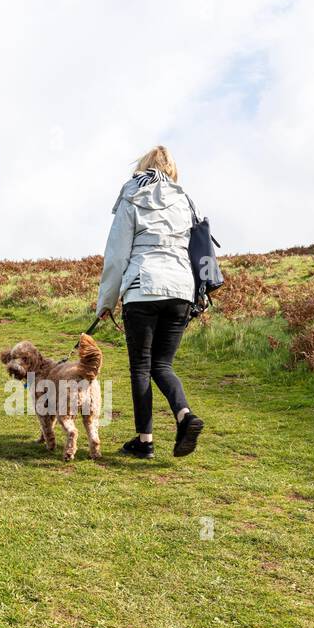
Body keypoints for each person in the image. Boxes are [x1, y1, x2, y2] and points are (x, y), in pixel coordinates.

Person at [95, 145, 204, 459]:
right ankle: (185, 415)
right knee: (163, 365)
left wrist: (107, 300)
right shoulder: (185, 200)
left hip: (144, 288)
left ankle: (145, 440)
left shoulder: (132, 195)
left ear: (143, 167)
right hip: (182, 289)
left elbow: (117, 255)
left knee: (141, 367)